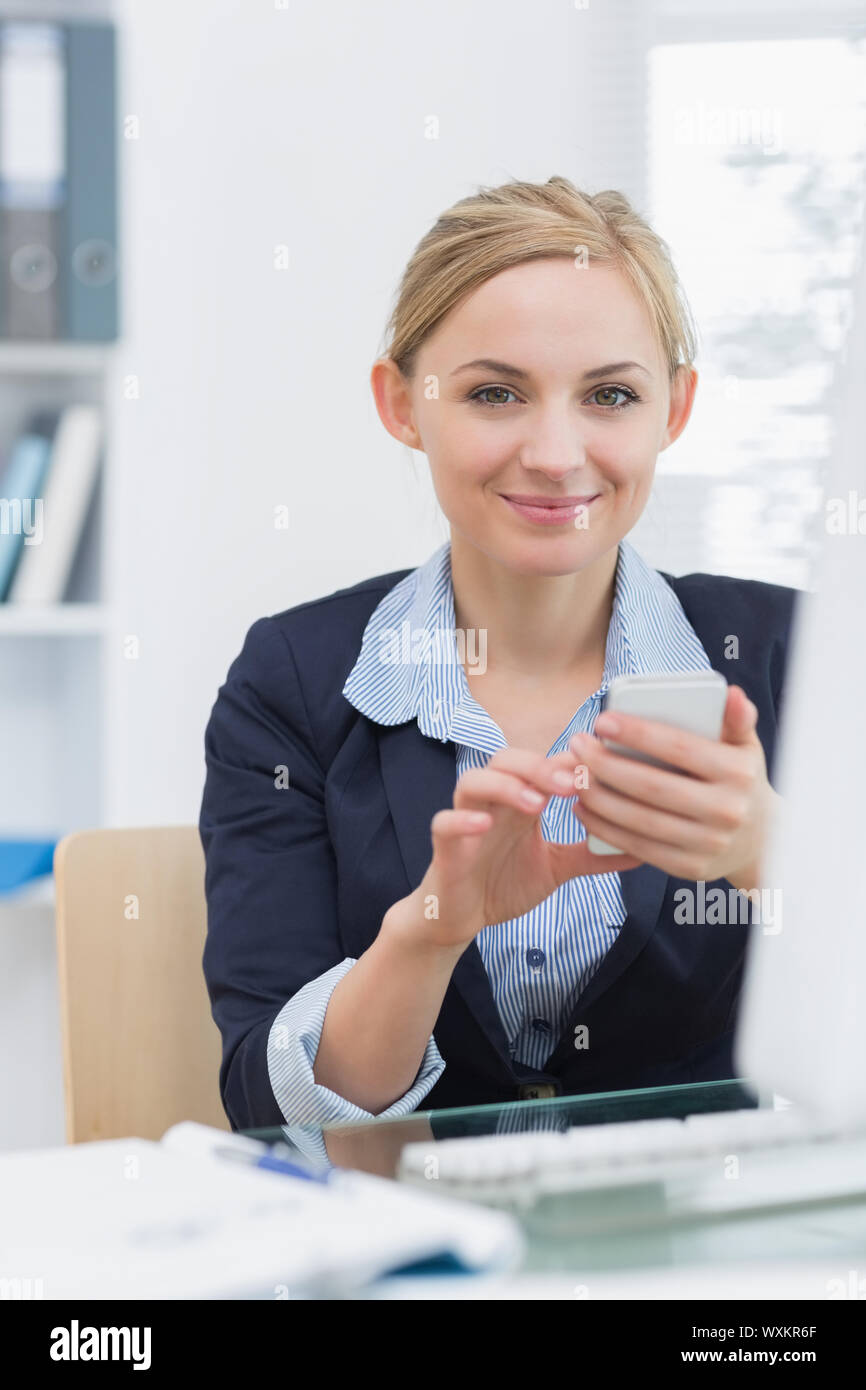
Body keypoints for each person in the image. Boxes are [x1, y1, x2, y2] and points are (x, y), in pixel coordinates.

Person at [199, 175, 798, 1133]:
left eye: (610, 394)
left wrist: (774, 854)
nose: (557, 454)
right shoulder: (293, 683)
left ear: (674, 410)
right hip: (415, 1249)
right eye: (494, 393)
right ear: (402, 404)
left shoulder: (794, 659)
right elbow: (278, 1107)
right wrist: (431, 930)